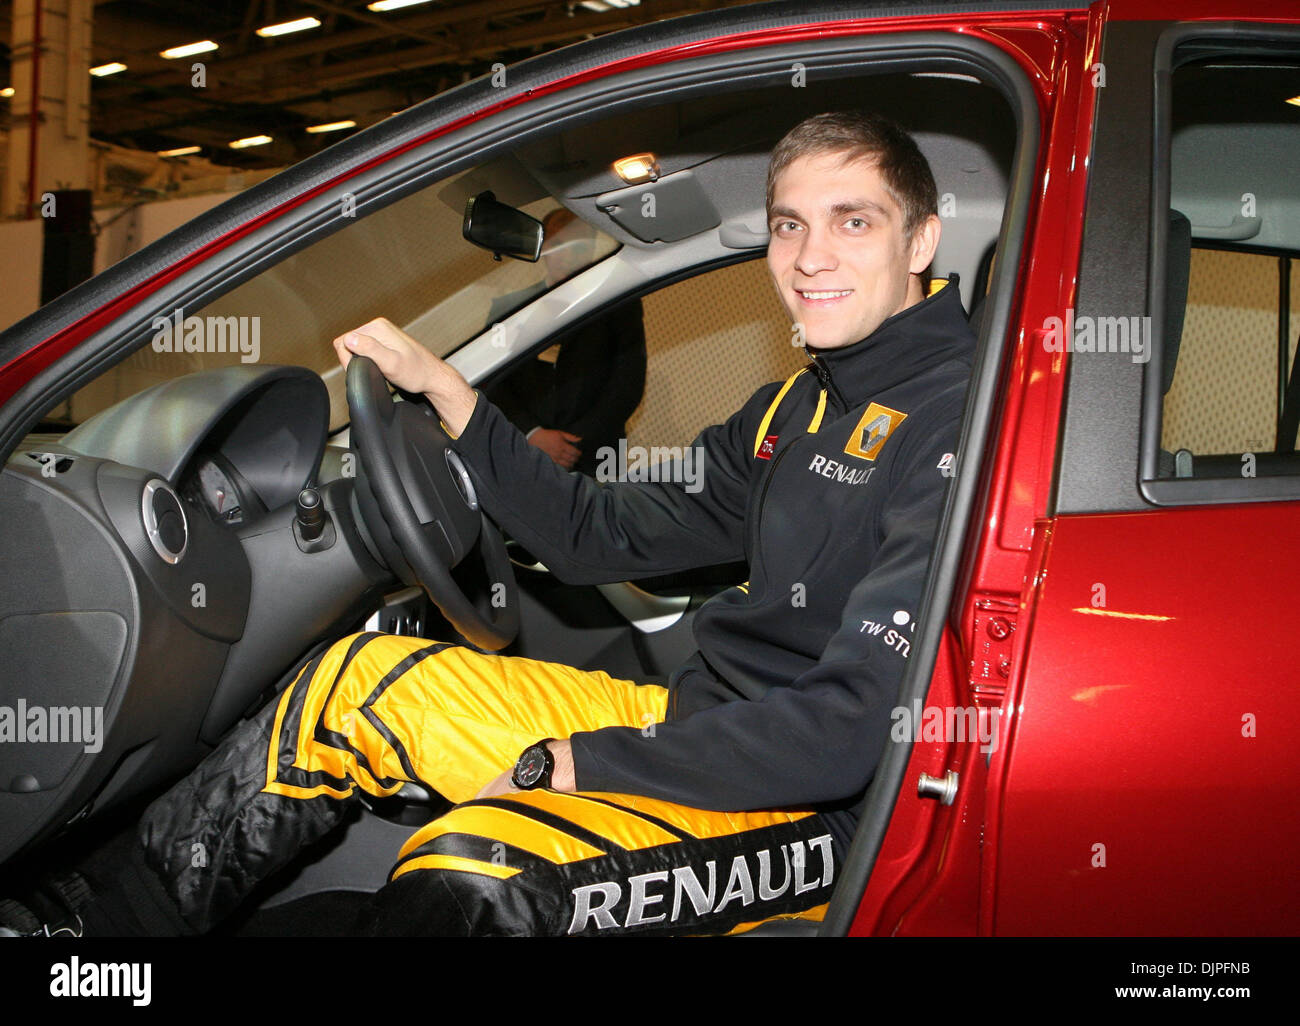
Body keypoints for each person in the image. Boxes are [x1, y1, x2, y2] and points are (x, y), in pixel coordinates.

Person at [5, 111, 974, 937]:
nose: (810, 258)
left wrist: (582, 765)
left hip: (820, 804)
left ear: (921, 239)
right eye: (789, 226)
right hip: (698, 724)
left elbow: (851, 729)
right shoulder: (790, 410)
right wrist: (452, 399)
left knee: (476, 881)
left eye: (853, 222)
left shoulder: (961, 423)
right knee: (354, 685)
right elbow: (598, 534)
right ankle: (94, 938)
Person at [483, 208, 647, 473]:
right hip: (521, 452)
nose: (568, 255)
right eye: (558, 244)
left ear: (591, 249)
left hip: (595, 457)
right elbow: (494, 383)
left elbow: (627, 384)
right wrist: (533, 434)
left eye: (578, 246)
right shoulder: (509, 310)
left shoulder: (618, 305)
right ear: (543, 248)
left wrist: (571, 443)